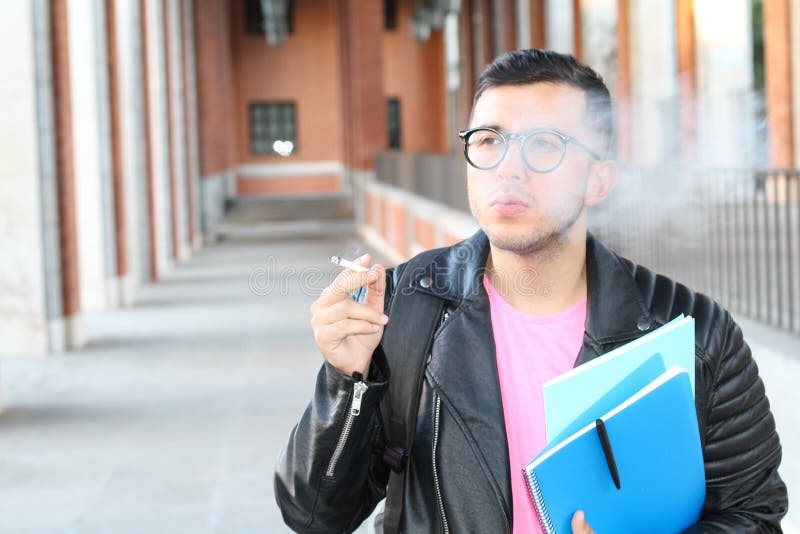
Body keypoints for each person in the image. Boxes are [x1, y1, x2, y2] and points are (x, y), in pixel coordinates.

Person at [275, 49, 787, 533]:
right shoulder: (406, 308)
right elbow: (315, 517)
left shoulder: (697, 336)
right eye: (489, 139)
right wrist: (347, 381)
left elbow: (755, 515)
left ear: (599, 180)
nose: (508, 167)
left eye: (545, 143)